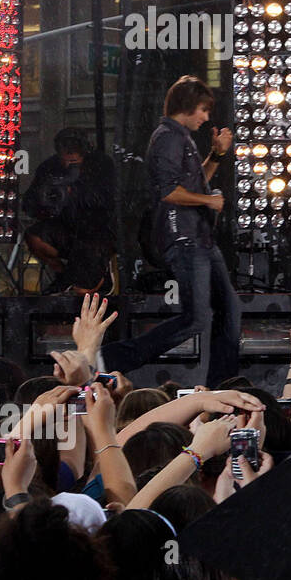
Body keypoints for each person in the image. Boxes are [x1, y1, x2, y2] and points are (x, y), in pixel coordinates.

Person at [97, 76, 239, 387]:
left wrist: (216, 155)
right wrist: (209, 201)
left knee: (228, 313)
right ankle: (109, 359)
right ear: (187, 107)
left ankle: (223, 383)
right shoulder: (167, 139)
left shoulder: (182, 138)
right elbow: (168, 192)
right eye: (202, 110)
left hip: (200, 237)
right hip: (185, 238)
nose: (205, 117)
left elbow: (192, 183)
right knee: (196, 318)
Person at [22, 127, 116, 294]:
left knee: (84, 290)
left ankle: (96, 274)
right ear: (59, 152)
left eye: (76, 148)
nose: (71, 154)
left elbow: (109, 200)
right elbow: (29, 203)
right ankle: (63, 276)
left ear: (86, 149)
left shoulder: (101, 164)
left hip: (96, 233)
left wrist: (76, 193)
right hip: (64, 228)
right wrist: (45, 201)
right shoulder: (48, 168)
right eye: (66, 149)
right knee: (35, 236)